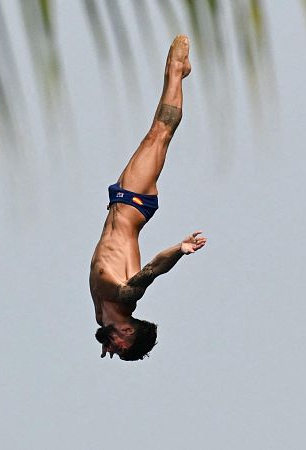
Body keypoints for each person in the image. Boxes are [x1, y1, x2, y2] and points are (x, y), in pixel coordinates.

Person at [89, 35, 207, 361]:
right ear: (128, 330)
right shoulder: (124, 299)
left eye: (110, 350)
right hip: (133, 202)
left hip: (121, 202)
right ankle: (177, 72)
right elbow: (153, 270)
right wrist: (180, 251)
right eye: (117, 346)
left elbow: (105, 330)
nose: (109, 347)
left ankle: (178, 73)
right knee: (160, 132)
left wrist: (107, 338)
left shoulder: (103, 316)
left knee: (158, 134)